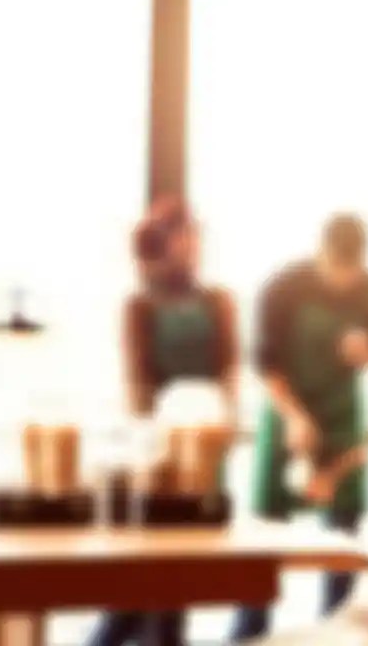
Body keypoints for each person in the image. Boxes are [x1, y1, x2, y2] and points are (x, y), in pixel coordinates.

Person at [229, 213, 368, 642]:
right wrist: (294, 416)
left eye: (352, 271)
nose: (344, 280)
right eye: (337, 268)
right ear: (322, 253)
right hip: (287, 410)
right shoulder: (283, 287)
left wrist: (366, 351)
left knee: (344, 537)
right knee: (264, 536)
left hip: (341, 418)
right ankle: (248, 632)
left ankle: (337, 632)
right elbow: (265, 362)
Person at [87, 199, 239, 646]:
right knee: (140, 593)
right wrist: (154, 448)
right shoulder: (140, 305)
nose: (192, 245)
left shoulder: (218, 301)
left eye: (196, 236)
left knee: (177, 589)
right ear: (164, 243)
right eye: (183, 236)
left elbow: (229, 370)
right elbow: (137, 384)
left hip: (205, 448)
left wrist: (223, 427)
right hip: (157, 454)